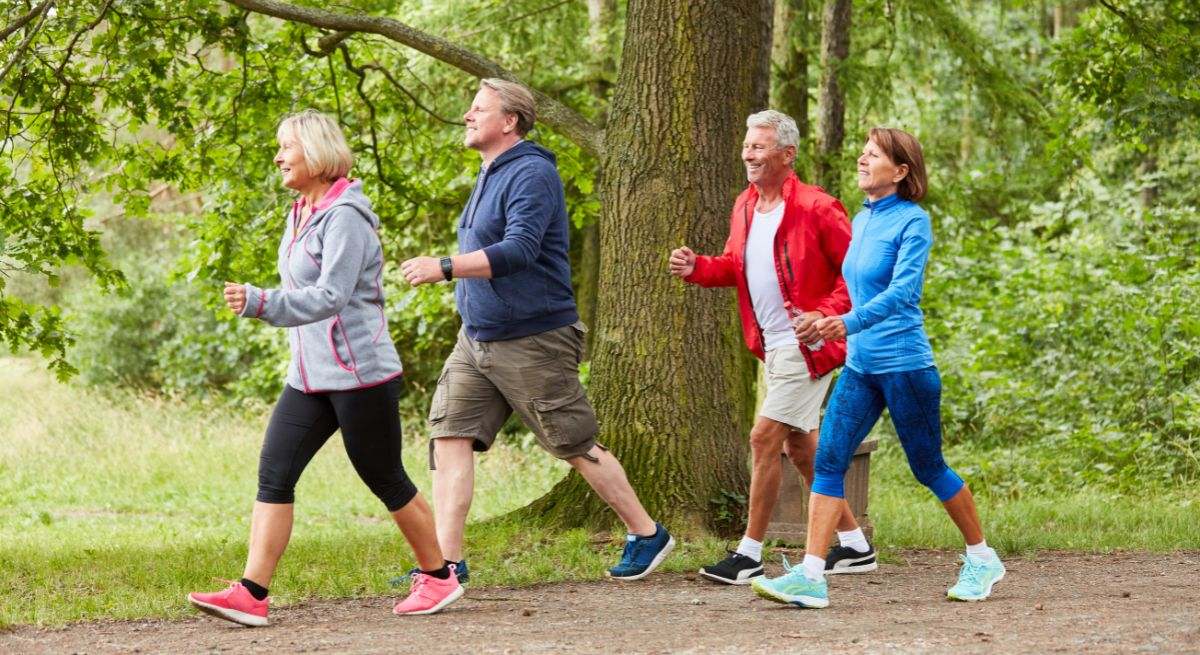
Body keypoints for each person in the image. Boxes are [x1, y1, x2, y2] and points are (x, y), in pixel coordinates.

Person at [187, 110, 462, 626]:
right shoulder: (302, 212)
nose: (278, 156)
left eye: (286, 146)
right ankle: (252, 592)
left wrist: (261, 302)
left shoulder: (346, 218)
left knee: (384, 477)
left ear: (314, 152)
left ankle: (440, 577)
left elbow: (331, 295)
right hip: (309, 378)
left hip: (361, 375)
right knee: (275, 473)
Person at [399, 79, 674, 582]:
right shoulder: (489, 172)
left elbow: (521, 249)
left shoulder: (531, 172)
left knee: (573, 442)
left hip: (533, 338)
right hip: (477, 337)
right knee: (449, 437)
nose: (467, 114)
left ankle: (647, 532)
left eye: (478, 108)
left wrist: (445, 266)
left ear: (510, 121)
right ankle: (445, 567)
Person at [752, 127, 1006, 609]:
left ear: (902, 171)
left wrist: (843, 323)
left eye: (874, 155)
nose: (863, 160)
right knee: (828, 460)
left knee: (927, 466)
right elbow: (852, 288)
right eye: (863, 153)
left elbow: (903, 293)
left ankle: (982, 556)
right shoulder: (864, 219)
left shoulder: (913, 222)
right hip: (861, 365)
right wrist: (823, 319)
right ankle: (810, 576)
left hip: (905, 365)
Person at [669, 110, 876, 586]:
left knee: (764, 438)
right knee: (802, 449)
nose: (748, 154)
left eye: (759, 147)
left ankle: (749, 554)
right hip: (772, 347)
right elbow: (734, 266)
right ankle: (856, 547)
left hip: (810, 347)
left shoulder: (818, 207)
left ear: (787, 154)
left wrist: (826, 317)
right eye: (747, 146)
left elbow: (858, 276)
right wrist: (697, 267)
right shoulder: (744, 205)